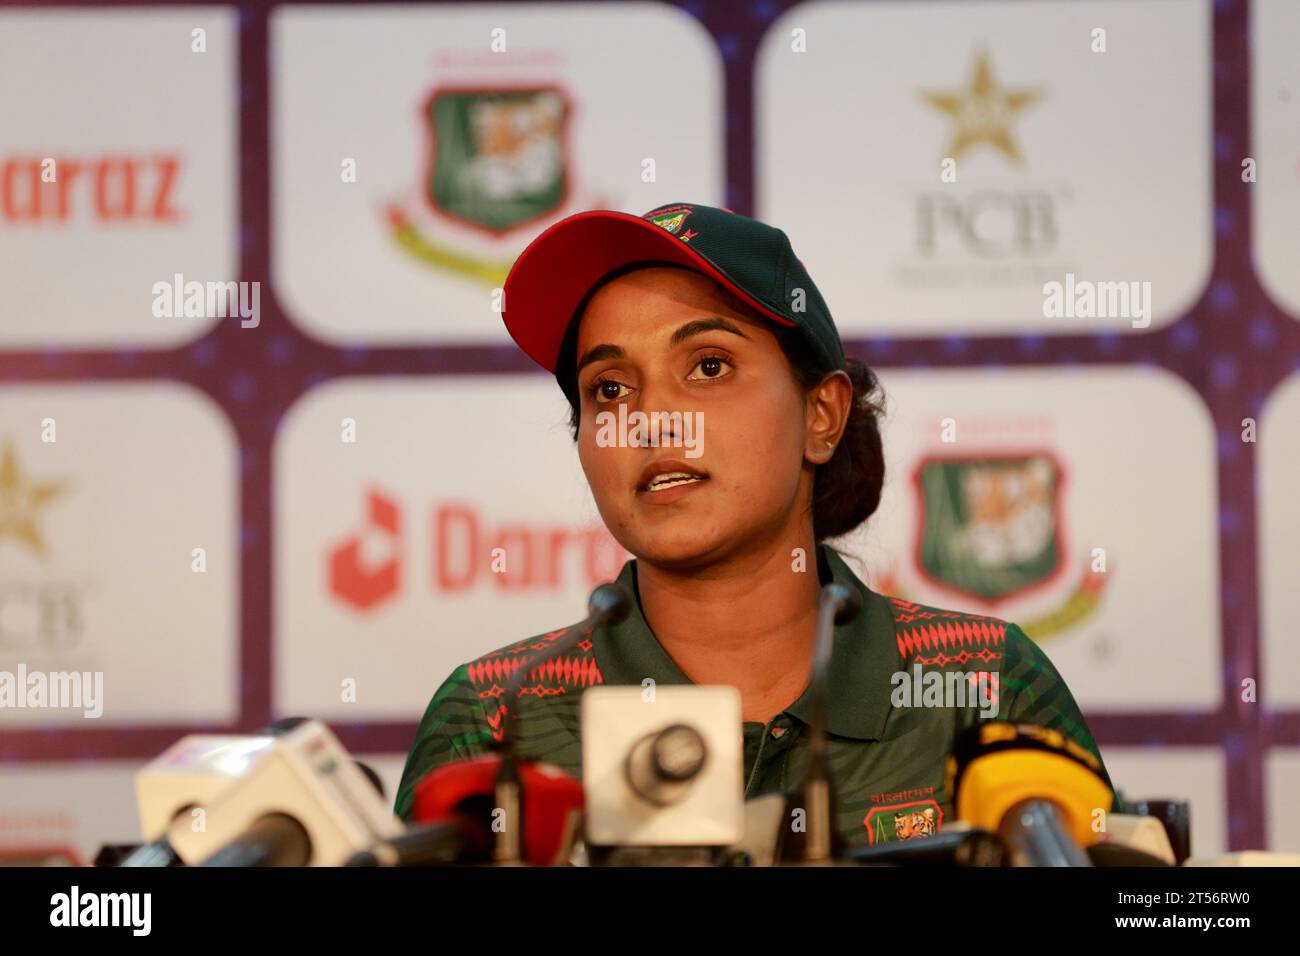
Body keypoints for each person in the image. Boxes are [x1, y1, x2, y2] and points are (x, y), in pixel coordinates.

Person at [395, 201, 1111, 849]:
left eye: (708, 366)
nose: (651, 420)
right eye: (608, 389)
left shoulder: (983, 680)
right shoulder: (496, 716)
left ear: (821, 416)